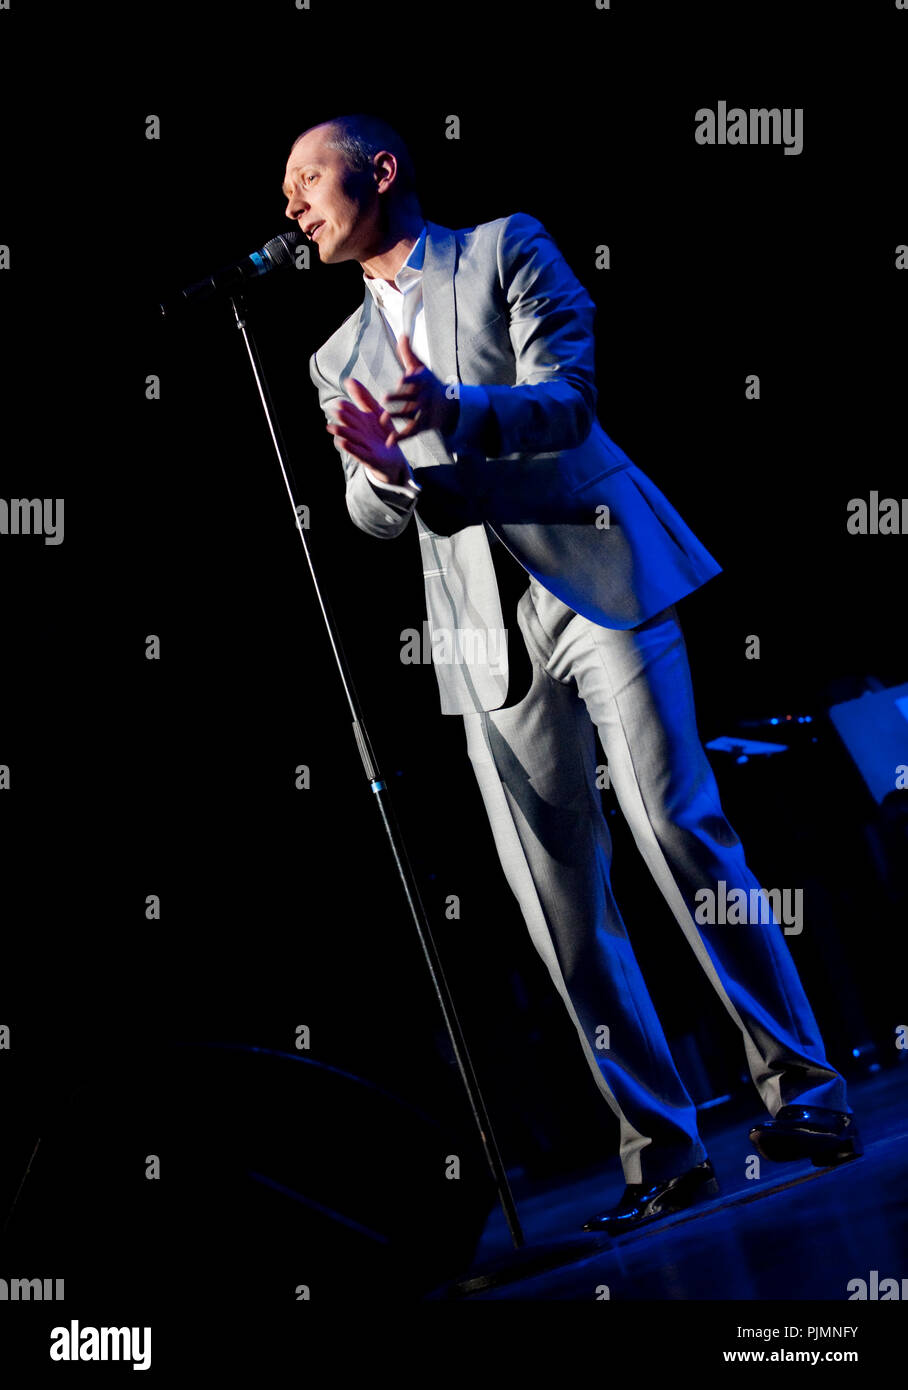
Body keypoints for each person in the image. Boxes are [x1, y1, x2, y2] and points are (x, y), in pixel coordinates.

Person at [285, 113, 862, 1235]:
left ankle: (805, 1093)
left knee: (677, 826)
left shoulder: (504, 247)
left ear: (380, 169)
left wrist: (457, 413)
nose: (293, 205)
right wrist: (385, 469)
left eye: (308, 178)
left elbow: (569, 398)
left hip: (588, 564)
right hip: (475, 632)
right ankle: (659, 1143)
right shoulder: (332, 357)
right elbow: (364, 512)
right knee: (558, 904)